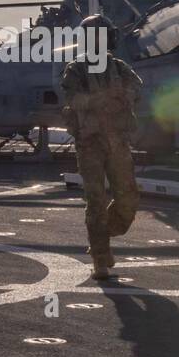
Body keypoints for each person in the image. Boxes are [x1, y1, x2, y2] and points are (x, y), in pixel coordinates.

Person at [60, 15, 142, 281]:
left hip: (118, 141)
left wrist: (119, 96)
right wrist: (104, 98)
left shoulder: (119, 67)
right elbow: (74, 100)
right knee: (96, 201)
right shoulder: (76, 69)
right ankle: (100, 258)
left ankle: (102, 235)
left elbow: (135, 90)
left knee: (128, 200)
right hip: (90, 143)